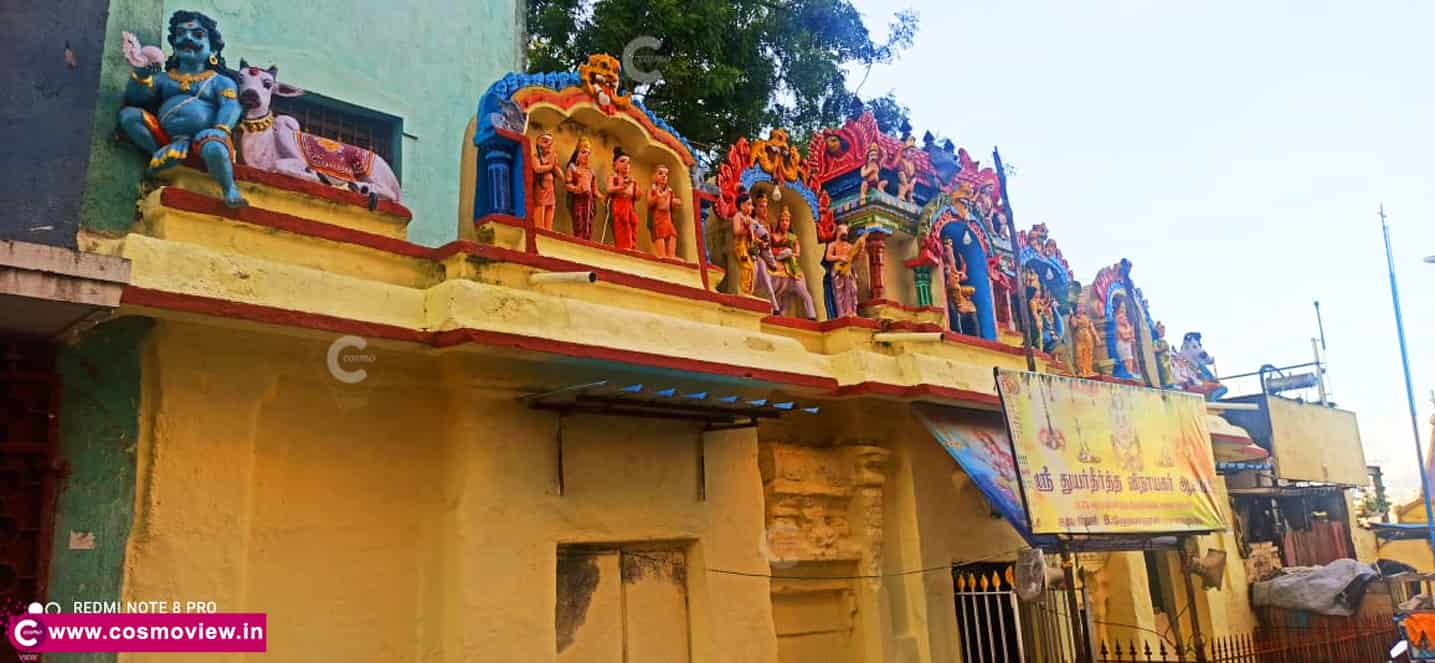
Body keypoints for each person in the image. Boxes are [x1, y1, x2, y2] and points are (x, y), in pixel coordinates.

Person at [825, 224, 867, 317]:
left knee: (852, 290)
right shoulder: (833, 245)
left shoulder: (849, 246)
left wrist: (861, 249)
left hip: (849, 271)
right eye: (842, 233)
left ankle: (851, 310)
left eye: (846, 234)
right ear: (838, 233)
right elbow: (828, 257)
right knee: (840, 294)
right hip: (838, 271)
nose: (844, 235)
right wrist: (840, 257)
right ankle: (841, 313)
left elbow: (856, 258)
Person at [564, 137, 599, 240]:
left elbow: (595, 190)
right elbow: (567, 184)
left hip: (589, 200)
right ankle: (579, 238)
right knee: (579, 220)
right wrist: (575, 189)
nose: (587, 156)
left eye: (588, 153)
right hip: (579, 199)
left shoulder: (591, 172)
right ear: (577, 154)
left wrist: (602, 197)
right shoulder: (573, 168)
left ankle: (586, 239)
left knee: (588, 223)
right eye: (583, 152)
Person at [607, 147, 640, 250]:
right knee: (623, 226)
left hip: (630, 206)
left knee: (632, 225)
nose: (626, 164)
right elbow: (609, 189)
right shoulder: (614, 177)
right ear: (615, 165)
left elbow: (637, 196)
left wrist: (636, 188)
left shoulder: (632, 180)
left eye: (628, 162)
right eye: (622, 161)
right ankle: (624, 247)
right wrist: (622, 186)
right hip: (619, 206)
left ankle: (632, 246)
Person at [647, 164, 680, 259]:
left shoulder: (669, 191)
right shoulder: (653, 190)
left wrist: (675, 202)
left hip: (668, 218)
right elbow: (649, 203)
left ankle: (671, 255)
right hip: (658, 218)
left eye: (666, 174)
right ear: (654, 177)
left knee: (672, 234)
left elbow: (671, 204)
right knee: (660, 235)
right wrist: (657, 196)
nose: (664, 176)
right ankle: (661, 254)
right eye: (660, 173)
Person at [531, 132, 557, 231]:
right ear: (539, 144)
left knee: (551, 209)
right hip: (541, 189)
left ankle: (548, 230)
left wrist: (555, 163)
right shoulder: (535, 157)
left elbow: (561, 176)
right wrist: (550, 166)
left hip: (550, 191)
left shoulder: (551, 158)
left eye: (550, 143)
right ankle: (540, 229)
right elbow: (537, 169)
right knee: (540, 208)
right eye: (545, 142)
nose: (549, 145)